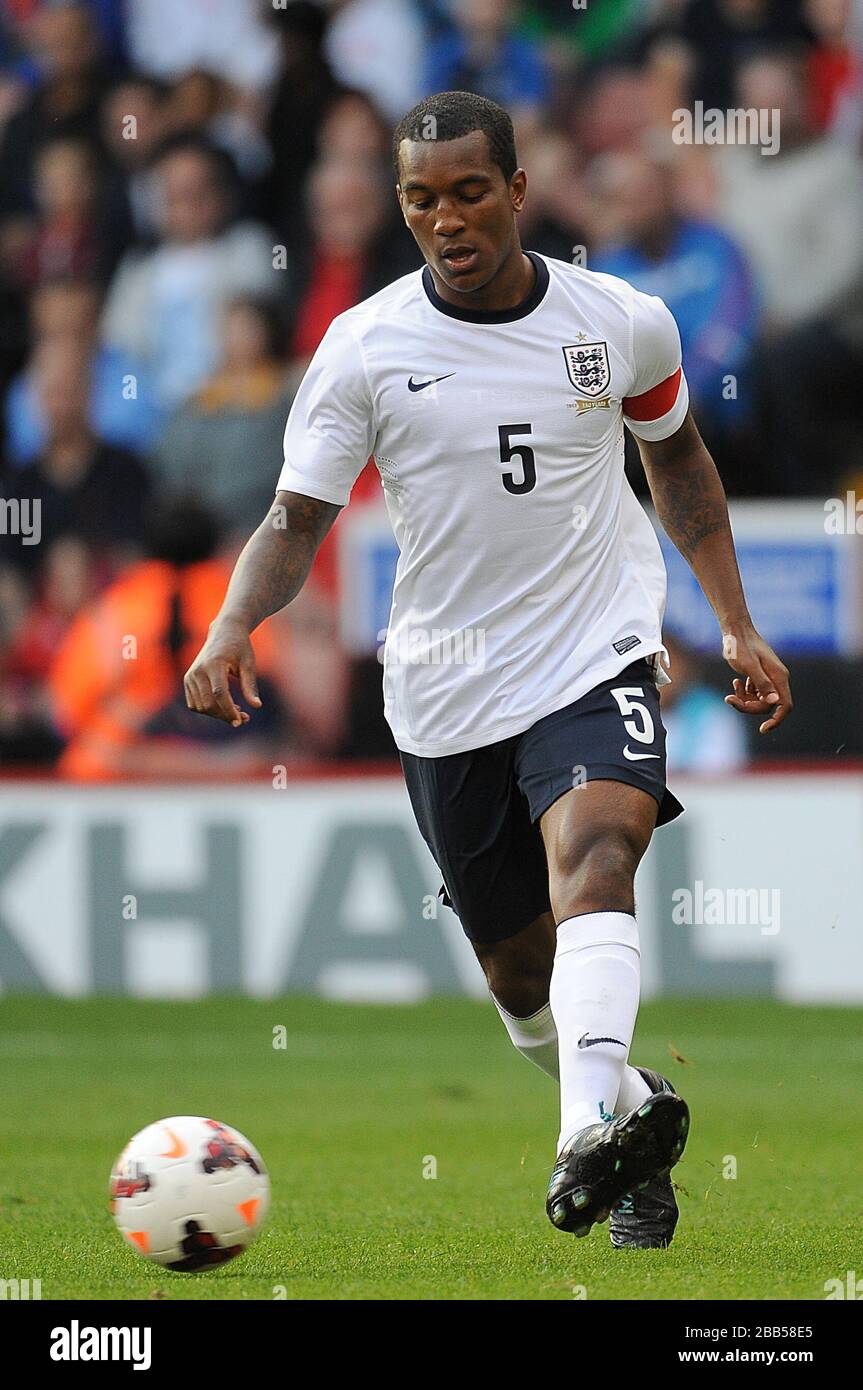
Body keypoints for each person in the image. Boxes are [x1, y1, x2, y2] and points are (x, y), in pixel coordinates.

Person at [183, 91, 792, 1248]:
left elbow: (680, 469)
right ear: (402, 208)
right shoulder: (363, 347)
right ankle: (627, 1108)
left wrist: (733, 619)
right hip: (446, 684)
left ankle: (577, 1138)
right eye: (421, 198)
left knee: (600, 848)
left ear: (517, 192)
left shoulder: (619, 322)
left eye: (469, 192)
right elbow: (292, 517)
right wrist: (228, 626)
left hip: (595, 643)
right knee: (520, 979)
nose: (446, 218)